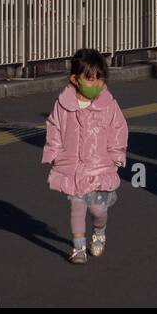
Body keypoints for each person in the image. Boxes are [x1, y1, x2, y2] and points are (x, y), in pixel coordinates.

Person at [42, 48, 128, 264]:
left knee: (98, 208)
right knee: (77, 205)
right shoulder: (63, 104)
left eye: (100, 78)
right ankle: (78, 247)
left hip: (100, 165)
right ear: (75, 79)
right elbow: (54, 128)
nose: (97, 83)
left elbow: (119, 128)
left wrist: (116, 153)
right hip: (73, 165)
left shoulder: (109, 105)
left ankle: (99, 229)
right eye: (90, 79)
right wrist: (54, 151)